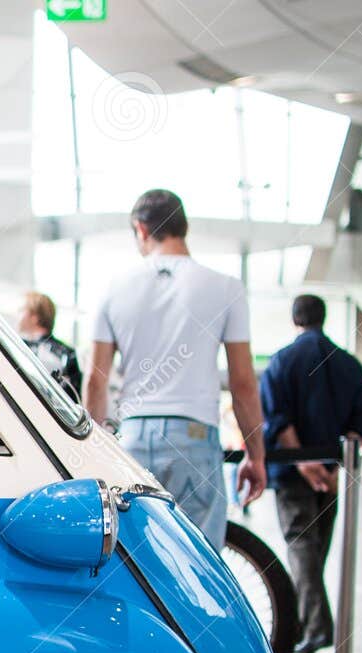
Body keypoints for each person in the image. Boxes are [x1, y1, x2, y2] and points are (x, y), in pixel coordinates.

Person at [85, 189, 266, 550]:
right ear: (184, 228)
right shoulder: (226, 287)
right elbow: (244, 383)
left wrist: (95, 449)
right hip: (195, 437)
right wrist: (255, 455)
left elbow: (96, 380)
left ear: (140, 229)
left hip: (133, 435)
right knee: (195, 563)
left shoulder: (114, 288)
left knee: (134, 560)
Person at [260, 295, 362, 653]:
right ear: (323, 318)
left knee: (301, 548)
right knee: (315, 550)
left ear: (295, 319)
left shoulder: (283, 360)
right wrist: (333, 470)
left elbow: (277, 419)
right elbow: (360, 424)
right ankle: (309, 623)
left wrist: (305, 465)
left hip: (295, 474)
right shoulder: (350, 365)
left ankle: (316, 626)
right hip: (333, 475)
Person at [16, 291, 82, 402]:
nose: (17, 314)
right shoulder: (67, 353)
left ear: (34, 317)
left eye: (22, 310)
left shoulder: (20, 348)